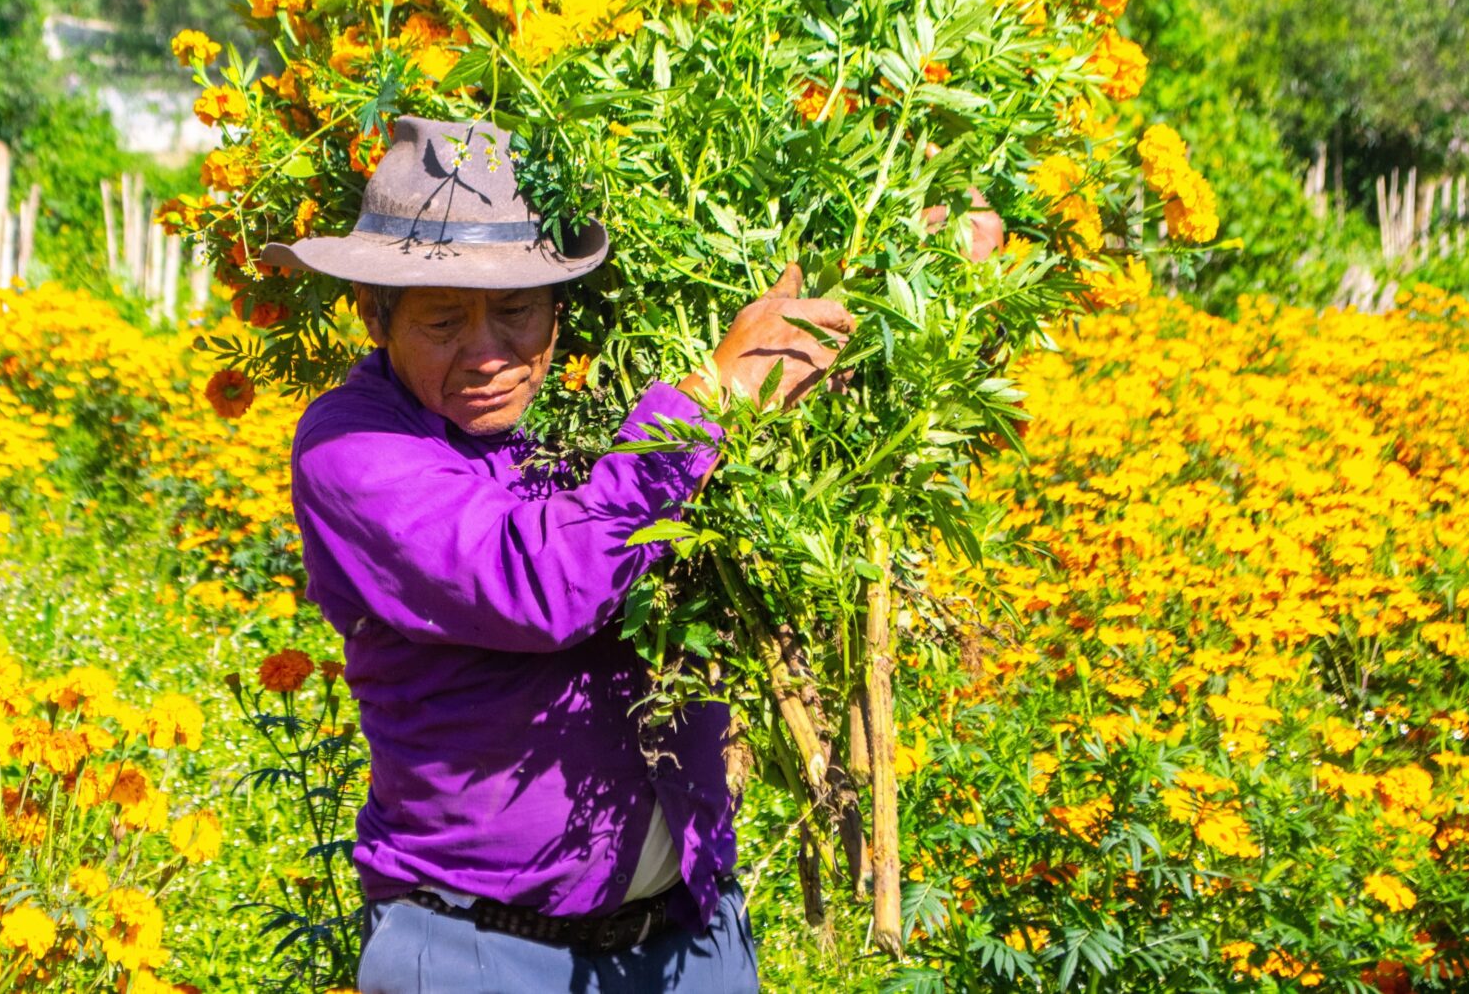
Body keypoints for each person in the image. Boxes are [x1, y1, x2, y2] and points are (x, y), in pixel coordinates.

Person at [264, 115, 995, 992]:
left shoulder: (605, 386)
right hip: (481, 953)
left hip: (689, 937)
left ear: (560, 307)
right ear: (374, 316)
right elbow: (538, 580)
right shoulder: (353, 448)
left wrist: (914, 272)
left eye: (518, 310)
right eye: (445, 320)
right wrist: (714, 394)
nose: (490, 353)